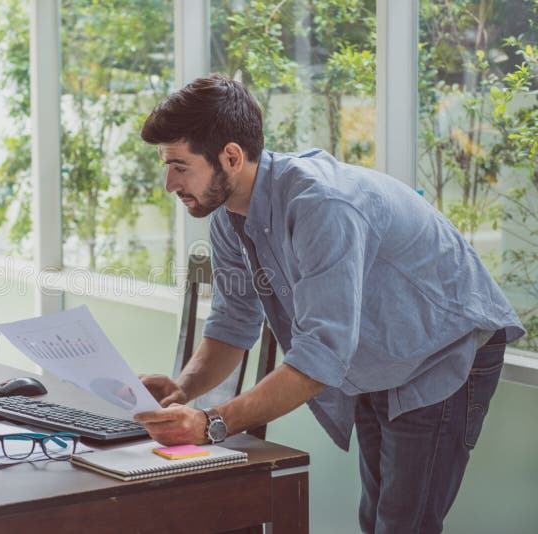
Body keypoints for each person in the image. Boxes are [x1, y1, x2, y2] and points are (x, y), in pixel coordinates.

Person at [134, 74, 525, 534]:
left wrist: (211, 424)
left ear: (231, 158)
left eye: (179, 166)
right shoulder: (228, 216)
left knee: (404, 524)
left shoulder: (322, 206)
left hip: (444, 348)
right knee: (376, 517)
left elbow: (319, 358)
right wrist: (184, 389)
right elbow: (234, 322)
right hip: (382, 351)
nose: (168, 183)